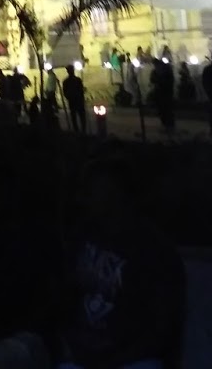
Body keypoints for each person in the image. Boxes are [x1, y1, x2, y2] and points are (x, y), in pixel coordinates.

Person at [58, 158, 186, 369]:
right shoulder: (85, 237)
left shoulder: (153, 250)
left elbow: (161, 328)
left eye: (95, 189)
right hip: (86, 356)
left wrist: (113, 358)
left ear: (116, 193)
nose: (87, 197)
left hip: (134, 359)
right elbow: (68, 298)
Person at [150, 55, 176, 135]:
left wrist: (159, 81)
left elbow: (153, 80)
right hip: (165, 93)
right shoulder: (165, 69)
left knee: (164, 110)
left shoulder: (160, 70)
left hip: (163, 93)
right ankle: (169, 126)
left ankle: (167, 126)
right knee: (166, 110)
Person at [62, 65, 87, 136]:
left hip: (75, 101)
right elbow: (66, 92)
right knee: (79, 116)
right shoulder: (74, 80)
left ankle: (79, 131)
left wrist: (70, 97)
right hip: (76, 101)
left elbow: (65, 92)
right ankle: (81, 130)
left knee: (76, 116)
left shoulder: (68, 81)